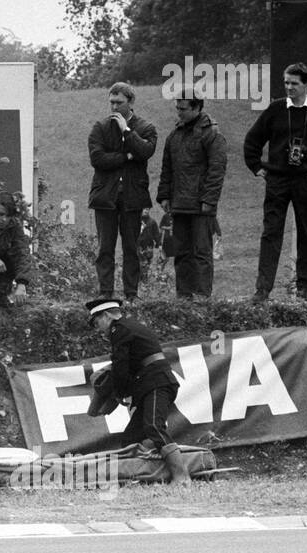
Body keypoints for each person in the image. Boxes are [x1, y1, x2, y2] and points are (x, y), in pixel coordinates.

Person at [243, 62, 307, 302]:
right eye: (286, 83)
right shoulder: (275, 109)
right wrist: (257, 167)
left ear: (306, 84)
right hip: (277, 180)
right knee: (271, 233)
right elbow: (252, 140)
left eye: (294, 83)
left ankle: (305, 289)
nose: (289, 87)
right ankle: (262, 291)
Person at [86, 297, 190, 485]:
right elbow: (133, 363)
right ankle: (143, 476)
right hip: (149, 383)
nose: (98, 328)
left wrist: (119, 392)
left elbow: (121, 365)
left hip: (157, 382)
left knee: (153, 425)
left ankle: (182, 476)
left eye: (97, 322)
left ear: (107, 315)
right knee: (131, 438)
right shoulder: (131, 326)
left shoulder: (119, 329)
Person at [88, 82, 157, 304]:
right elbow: (97, 159)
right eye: (112, 102)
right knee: (105, 248)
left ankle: (131, 293)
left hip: (132, 197)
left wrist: (126, 131)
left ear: (131, 102)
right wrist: (125, 157)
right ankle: (105, 292)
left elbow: (145, 151)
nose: (114, 107)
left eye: (119, 102)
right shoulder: (100, 127)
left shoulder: (145, 127)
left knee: (131, 247)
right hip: (105, 197)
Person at [157, 96, 228, 298]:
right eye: (177, 108)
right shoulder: (174, 135)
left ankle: (202, 298)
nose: (179, 112)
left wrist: (209, 200)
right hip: (179, 205)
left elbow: (217, 170)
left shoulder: (212, 134)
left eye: (183, 108)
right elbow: (167, 168)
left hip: (201, 206)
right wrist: (164, 196)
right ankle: (184, 297)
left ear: (197, 108)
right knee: (181, 254)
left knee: (201, 253)